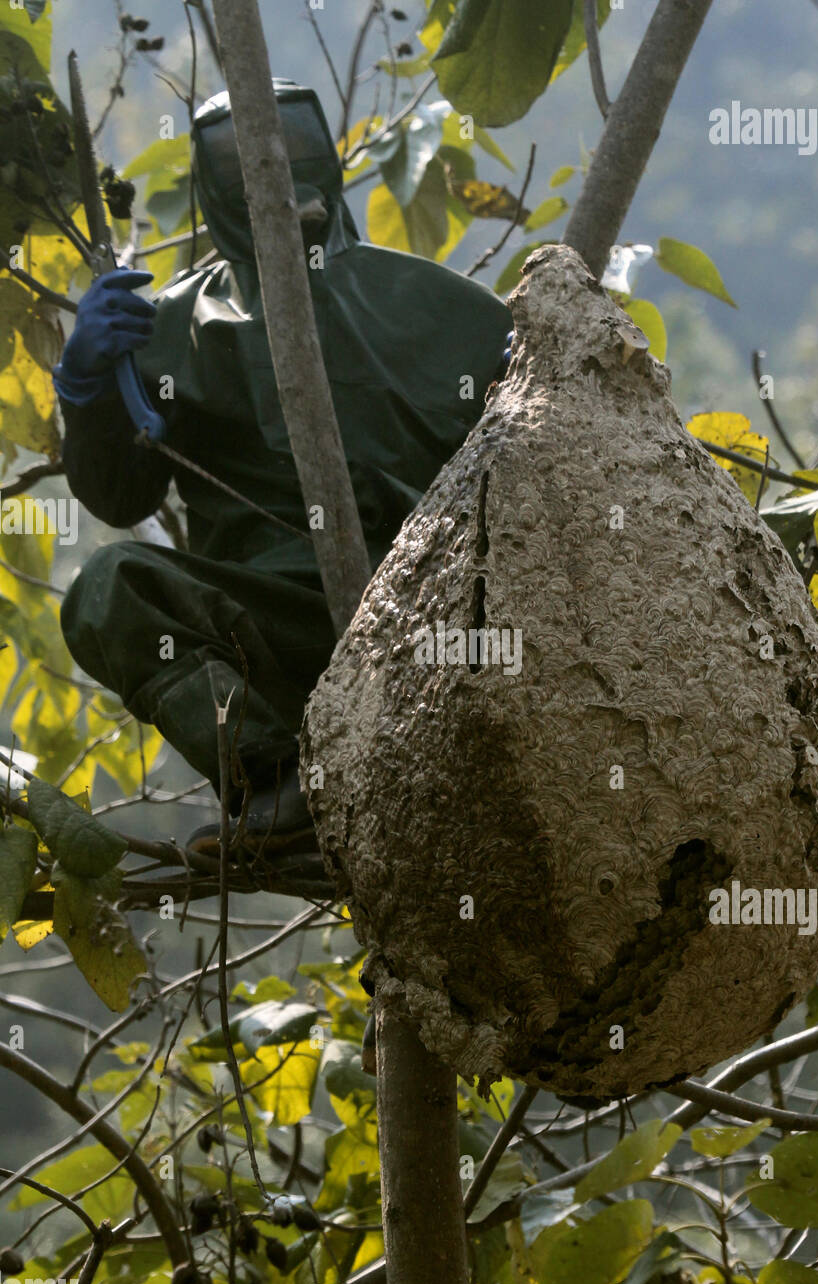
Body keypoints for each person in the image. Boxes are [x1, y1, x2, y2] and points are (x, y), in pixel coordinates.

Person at [55, 82, 513, 857]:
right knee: (107, 589)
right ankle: (282, 785)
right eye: (244, 169)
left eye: (296, 155)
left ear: (327, 161)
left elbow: (544, 469)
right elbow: (119, 495)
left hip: (419, 612)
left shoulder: (443, 306)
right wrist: (88, 387)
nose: (278, 182)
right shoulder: (176, 327)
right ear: (213, 189)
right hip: (266, 627)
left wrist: (558, 368)